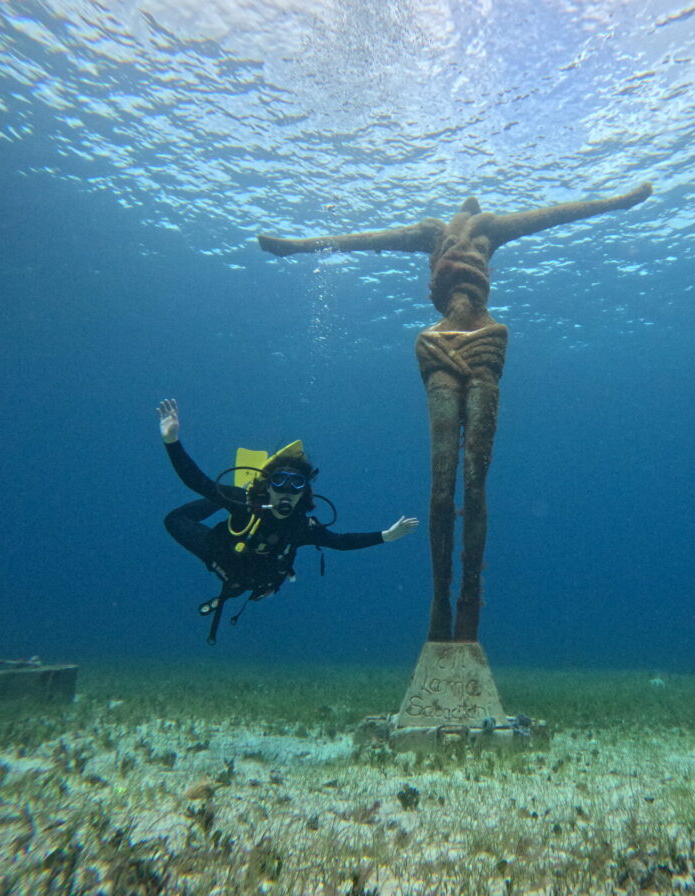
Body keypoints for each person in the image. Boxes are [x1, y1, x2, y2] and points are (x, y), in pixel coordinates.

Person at [258, 182, 652, 642]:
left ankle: (468, 599)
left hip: (486, 338)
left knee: (474, 483)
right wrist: (294, 248)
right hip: (438, 340)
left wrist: (620, 201)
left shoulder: (484, 227)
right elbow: (366, 239)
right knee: (442, 484)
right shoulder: (435, 231)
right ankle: (440, 601)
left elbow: (555, 214)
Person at [157, 398, 418, 642]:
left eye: (296, 485)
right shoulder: (249, 504)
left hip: (259, 579)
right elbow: (197, 481)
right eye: (279, 482)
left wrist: (386, 535)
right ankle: (223, 497)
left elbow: (340, 542)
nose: (286, 492)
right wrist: (172, 441)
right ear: (268, 487)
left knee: (241, 581)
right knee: (175, 518)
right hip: (221, 553)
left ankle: (223, 499)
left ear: (304, 491)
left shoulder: (301, 527)